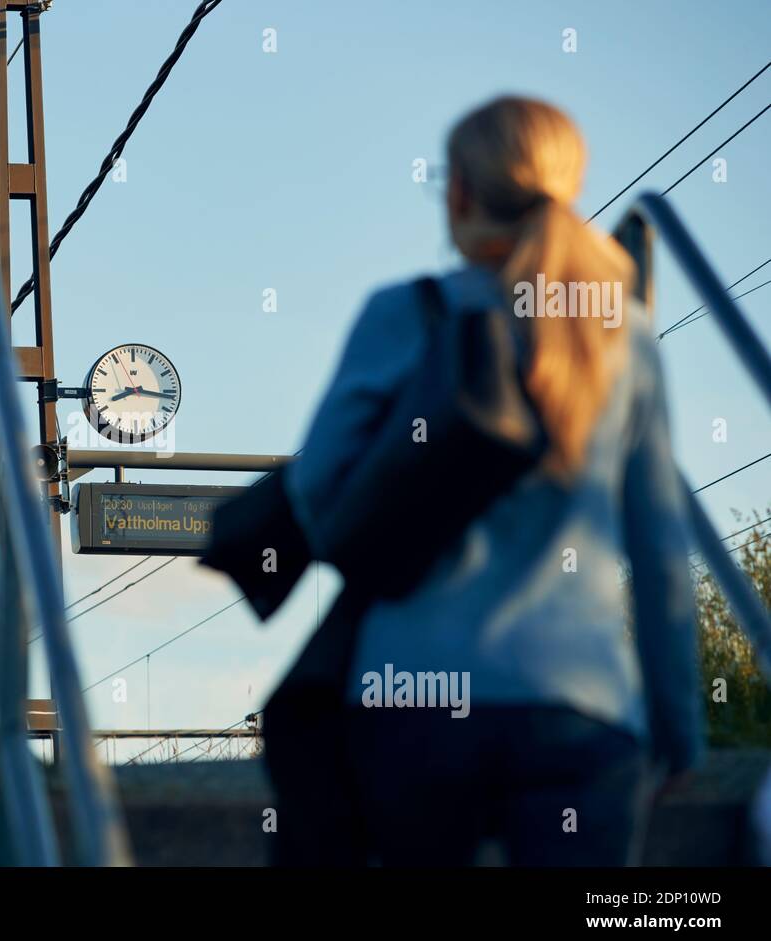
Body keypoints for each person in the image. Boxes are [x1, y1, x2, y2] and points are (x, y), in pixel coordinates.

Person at [279, 96, 704, 865]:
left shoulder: (406, 315)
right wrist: (677, 730)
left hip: (410, 702)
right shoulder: (625, 337)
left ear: (460, 194)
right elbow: (662, 554)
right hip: (583, 708)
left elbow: (315, 491)